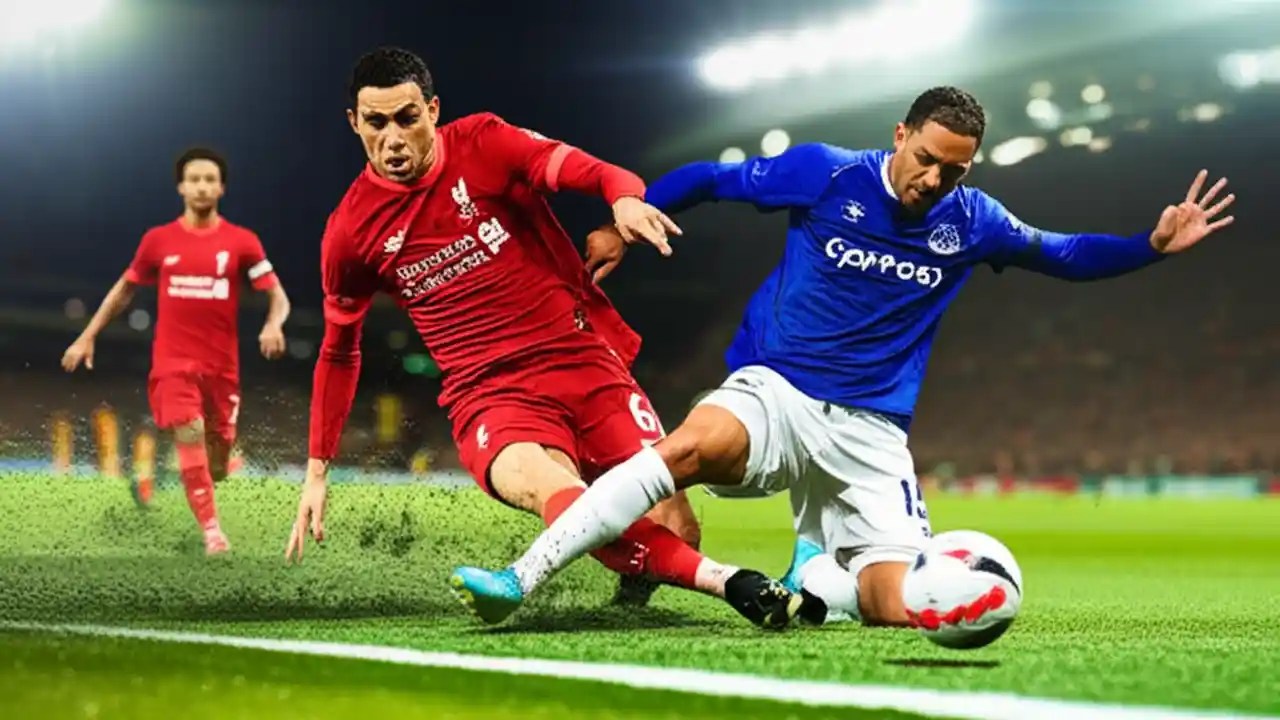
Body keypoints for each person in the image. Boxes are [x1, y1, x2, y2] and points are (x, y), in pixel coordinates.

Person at [452, 86, 1236, 627]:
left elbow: (1061, 252)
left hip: (872, 435)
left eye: (955, 170)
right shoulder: (828, 173)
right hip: (781, 391)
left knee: (898, 603)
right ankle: (521, 579)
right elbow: (712, 181)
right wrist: (631, 219)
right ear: (901, 135)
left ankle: (826, 578)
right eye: (926, 158)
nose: (934, 179)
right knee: (690, 446)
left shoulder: (975, 221)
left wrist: (1150, 247)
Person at [284, 46, 802, 629]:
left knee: (675, 524)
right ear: (354, 122)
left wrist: (624, 199)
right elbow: (338, 350)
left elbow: (596, 171)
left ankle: (645, 573)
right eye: (376, 123)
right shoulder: (351, 232)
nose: (394, 138)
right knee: (566, 498)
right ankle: (726, 580)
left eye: (407, 118)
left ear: (433, 109)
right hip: (491, 396)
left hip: (582, 361)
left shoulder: (484, 143)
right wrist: (318, 468)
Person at [63, 147, 291, 555]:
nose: (202, 185)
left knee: (217, 465)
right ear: (181, 187)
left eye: (210, 179)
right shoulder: (158, 241)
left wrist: (274, 323)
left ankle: (184, 479)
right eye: (194, 178)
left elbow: (277, 294)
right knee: (189, 431)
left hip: (222, 370)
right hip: (173, 365)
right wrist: (88, 334)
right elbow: (125, 289)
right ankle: (212, 532)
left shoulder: (242, 242)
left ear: (221, 187)